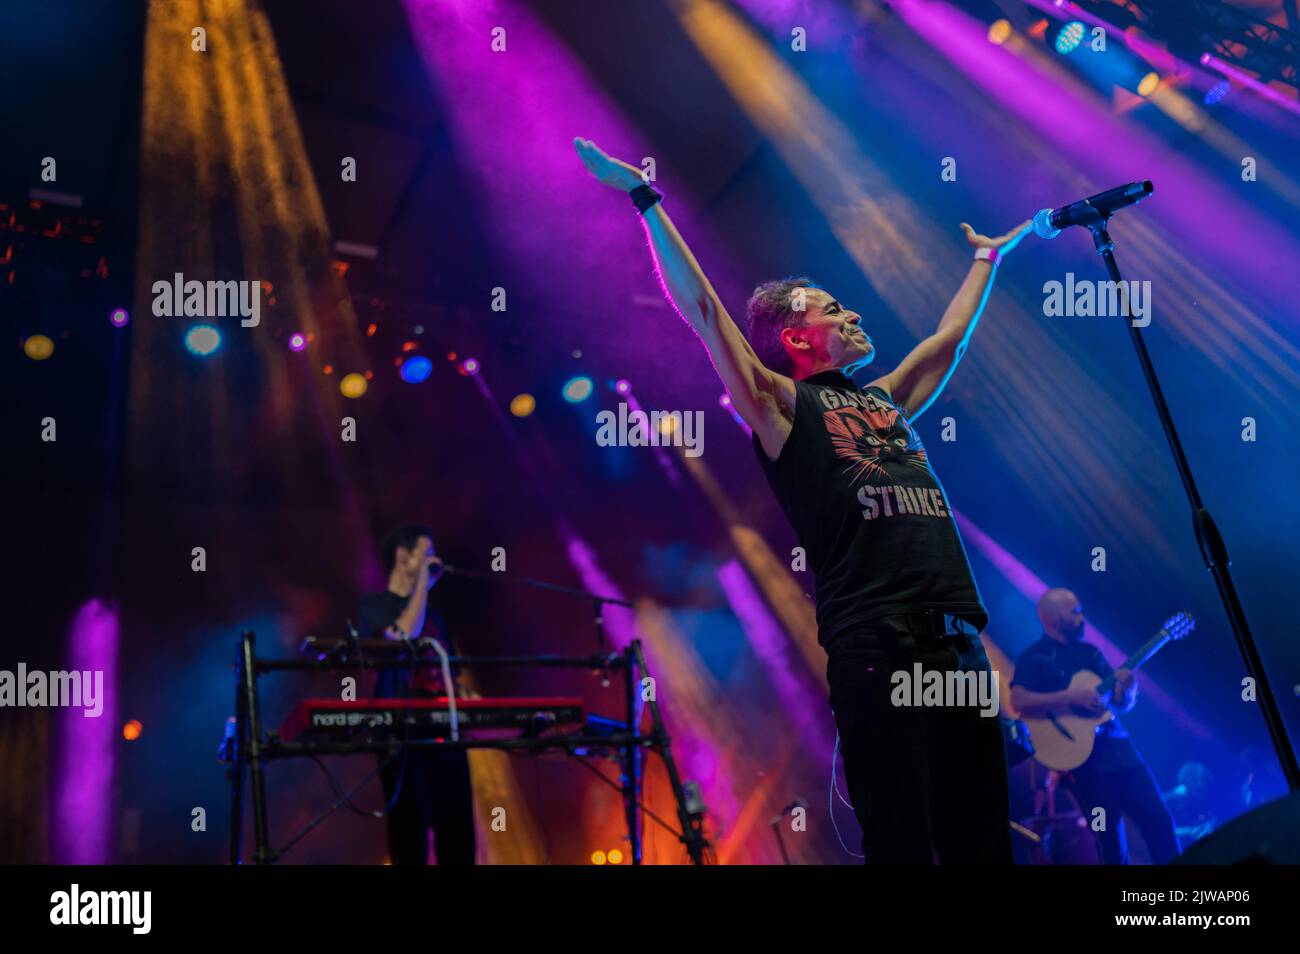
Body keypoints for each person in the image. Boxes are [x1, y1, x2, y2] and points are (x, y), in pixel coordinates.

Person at [575, 137, 1032, 863]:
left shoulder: (885, 401)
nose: (851, 312)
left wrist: (986, 260)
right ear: (797, 336)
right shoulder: (782, 407)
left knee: (983, 844)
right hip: (879, 645)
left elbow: (949, 341)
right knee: (903, 845)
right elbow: (702, 310)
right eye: (832, 308)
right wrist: (646, 199)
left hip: (957, 644)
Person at [1010, 588, 1180, 864]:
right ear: (1051, 618)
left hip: (1120, 750)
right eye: (1074, 611)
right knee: (1110, 838)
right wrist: (1070, 696)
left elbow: (1118, 703)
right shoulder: (1034, 657)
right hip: (1084, 762)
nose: (1081, 616)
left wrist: (1128, 691)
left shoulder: (1090, 652)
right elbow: (1018, 699)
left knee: (1159, 821)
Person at [355, 524, 475, 865]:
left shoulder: (436, 615)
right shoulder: (374, 606)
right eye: (425, 553)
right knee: (411, 833)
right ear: (402, 556)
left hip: (446, 733)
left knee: (459, 834)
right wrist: (422, 584)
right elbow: (404, 635)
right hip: (401, 733)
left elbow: (449, 676)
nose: (433, 560)